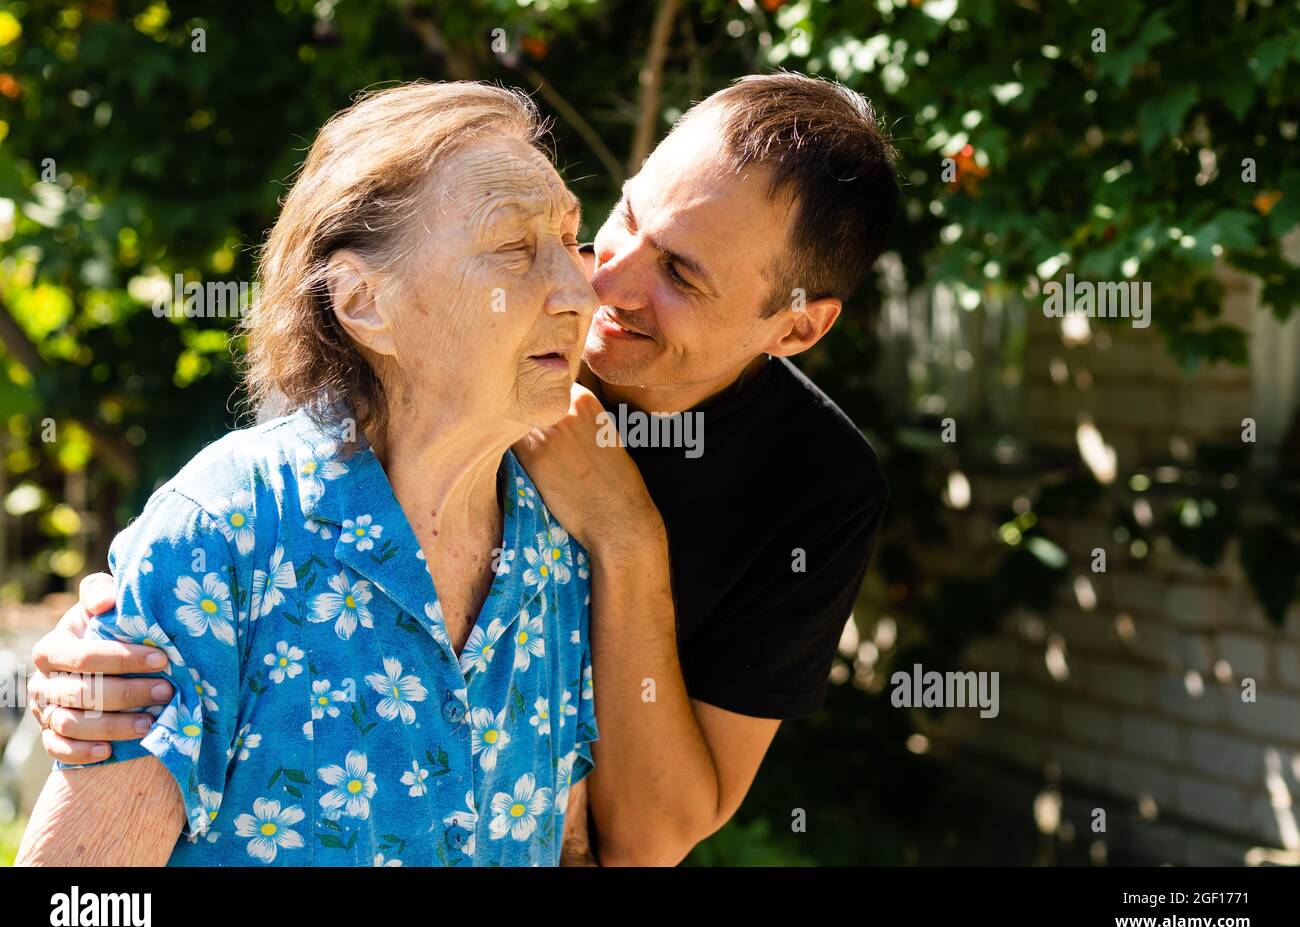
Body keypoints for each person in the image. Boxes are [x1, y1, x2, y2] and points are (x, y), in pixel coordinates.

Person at [29, 72, 896, 866]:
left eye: (679, 273)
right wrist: (122, 640)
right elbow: (268, 503)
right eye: (624, 218)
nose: (598, 283)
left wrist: (625, 540)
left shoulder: (803, 492)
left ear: (795, 328)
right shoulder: (266, 502)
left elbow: (628, 843)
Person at [17, 81, 600, 866]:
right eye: (513, 248)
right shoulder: (225, 534)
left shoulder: (554, 546)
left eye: (571, 239)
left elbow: (564, 845)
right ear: (365, 303)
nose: (578, 289)